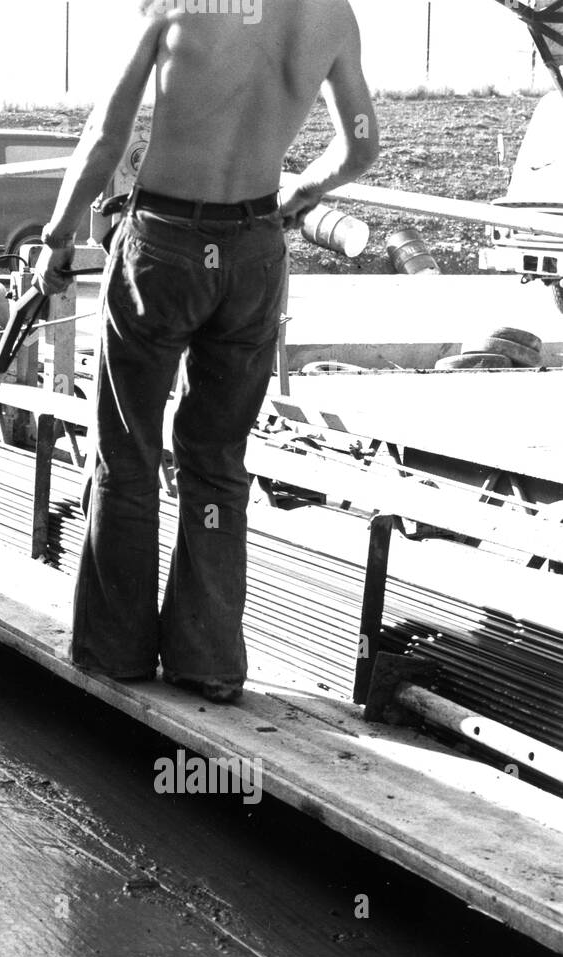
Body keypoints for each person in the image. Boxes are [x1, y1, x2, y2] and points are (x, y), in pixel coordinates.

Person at [35, 0, 379, 703]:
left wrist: (55, 241)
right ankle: (208, 659)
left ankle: (116, 650)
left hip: (164, 244)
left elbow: (105, 139)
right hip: (253, 249)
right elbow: (362, 147)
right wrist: (298, 192)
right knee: (217, 462)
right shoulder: (331, 15)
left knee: (127, 446)